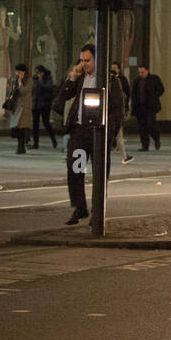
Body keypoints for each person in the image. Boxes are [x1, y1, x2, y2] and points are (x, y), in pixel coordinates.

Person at [53, 44, 124, 225]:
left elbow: (118, 109)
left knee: (100, 173)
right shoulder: (80, 77)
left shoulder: (109, 80)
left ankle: (98, 212)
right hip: (79, 132)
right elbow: (61, 97)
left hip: (99, 133)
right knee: (75, 169)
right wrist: (72, 76)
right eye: (82, 60)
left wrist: (111, 133)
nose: (84, 64)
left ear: (97, 60)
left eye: (88, 60)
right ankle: (80, 207)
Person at [130, 64, 164, 151]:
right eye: (140, 72)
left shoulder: (154, 79)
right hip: (140, 107)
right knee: (142, 127)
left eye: (143, 72)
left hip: (150, 107)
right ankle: (145, 145)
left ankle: (156, 138)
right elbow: (134, 94)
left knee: (150, 124)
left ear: (147, 71)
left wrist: (153, 96)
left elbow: (161, 90)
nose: (141, 74)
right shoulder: (137, 81)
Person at [4, 63, 31, 154]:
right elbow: (10, 91)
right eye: (17, 72)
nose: (18, 74)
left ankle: (21, 146)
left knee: (22, 127)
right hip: (16, 106)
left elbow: (24, 91)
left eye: (20, 72)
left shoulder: (29, 80)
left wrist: (20, 83)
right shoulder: (14, 79)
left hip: (24, 107)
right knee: (16, 127)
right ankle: (20, 145)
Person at [110, 62, 133, 164]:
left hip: (116, 112)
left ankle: (123, 155)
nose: (113, 70)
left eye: (115, 68)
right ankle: (124, 156)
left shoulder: (121, 80)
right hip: (114, 112)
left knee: (118, 135)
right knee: (118, 135)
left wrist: (125, 109)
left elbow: (126, 95)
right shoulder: (112, 80)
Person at [31, 65, 57, 150]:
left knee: (46, 122)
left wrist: (40, 81)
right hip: (36, 104)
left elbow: (48, 88)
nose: (37, 74)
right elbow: (33, 90)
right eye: (36, 73)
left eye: (38, 72)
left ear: (42, 72)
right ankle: (35, 143)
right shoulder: (35, 79)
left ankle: (53, 139)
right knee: (35, 124)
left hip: (45, 104)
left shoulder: (48, 78)